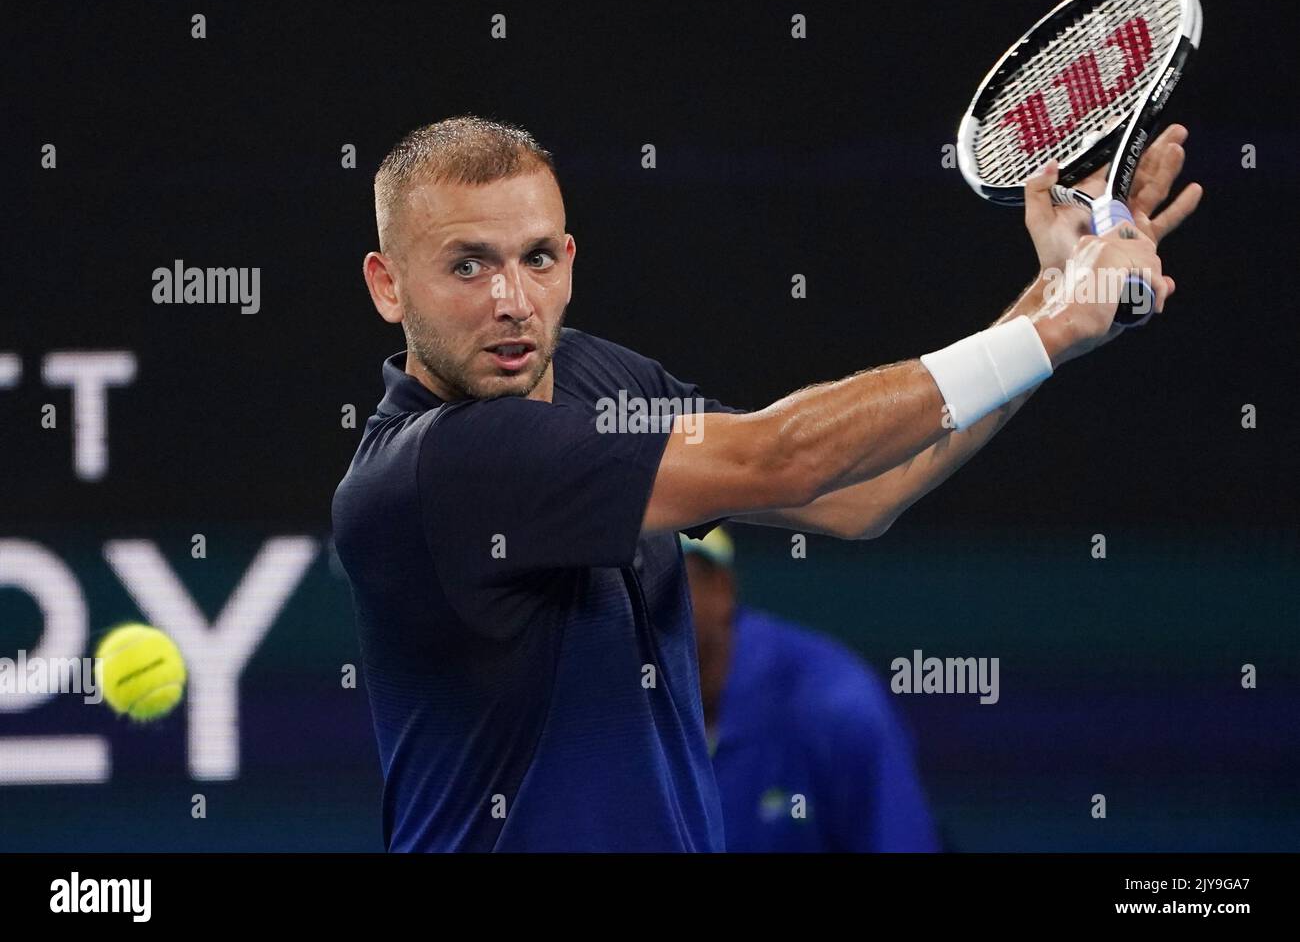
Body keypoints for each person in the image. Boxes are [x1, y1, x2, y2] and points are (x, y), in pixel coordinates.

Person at [331, 115, 1200, 851]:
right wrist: (1051, 323)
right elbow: (779, 456)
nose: (513, 300)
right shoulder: (438, 469)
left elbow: (856, 494)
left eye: (536, 259)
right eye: (468, 266)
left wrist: (1052, 304)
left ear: (569, 257)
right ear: (387, 287)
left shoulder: (597, 376)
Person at [683, 527, 939, 852]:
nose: (634, 607)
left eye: (655, 582)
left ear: (721, 588)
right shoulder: (610, 707)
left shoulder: (837, 704)